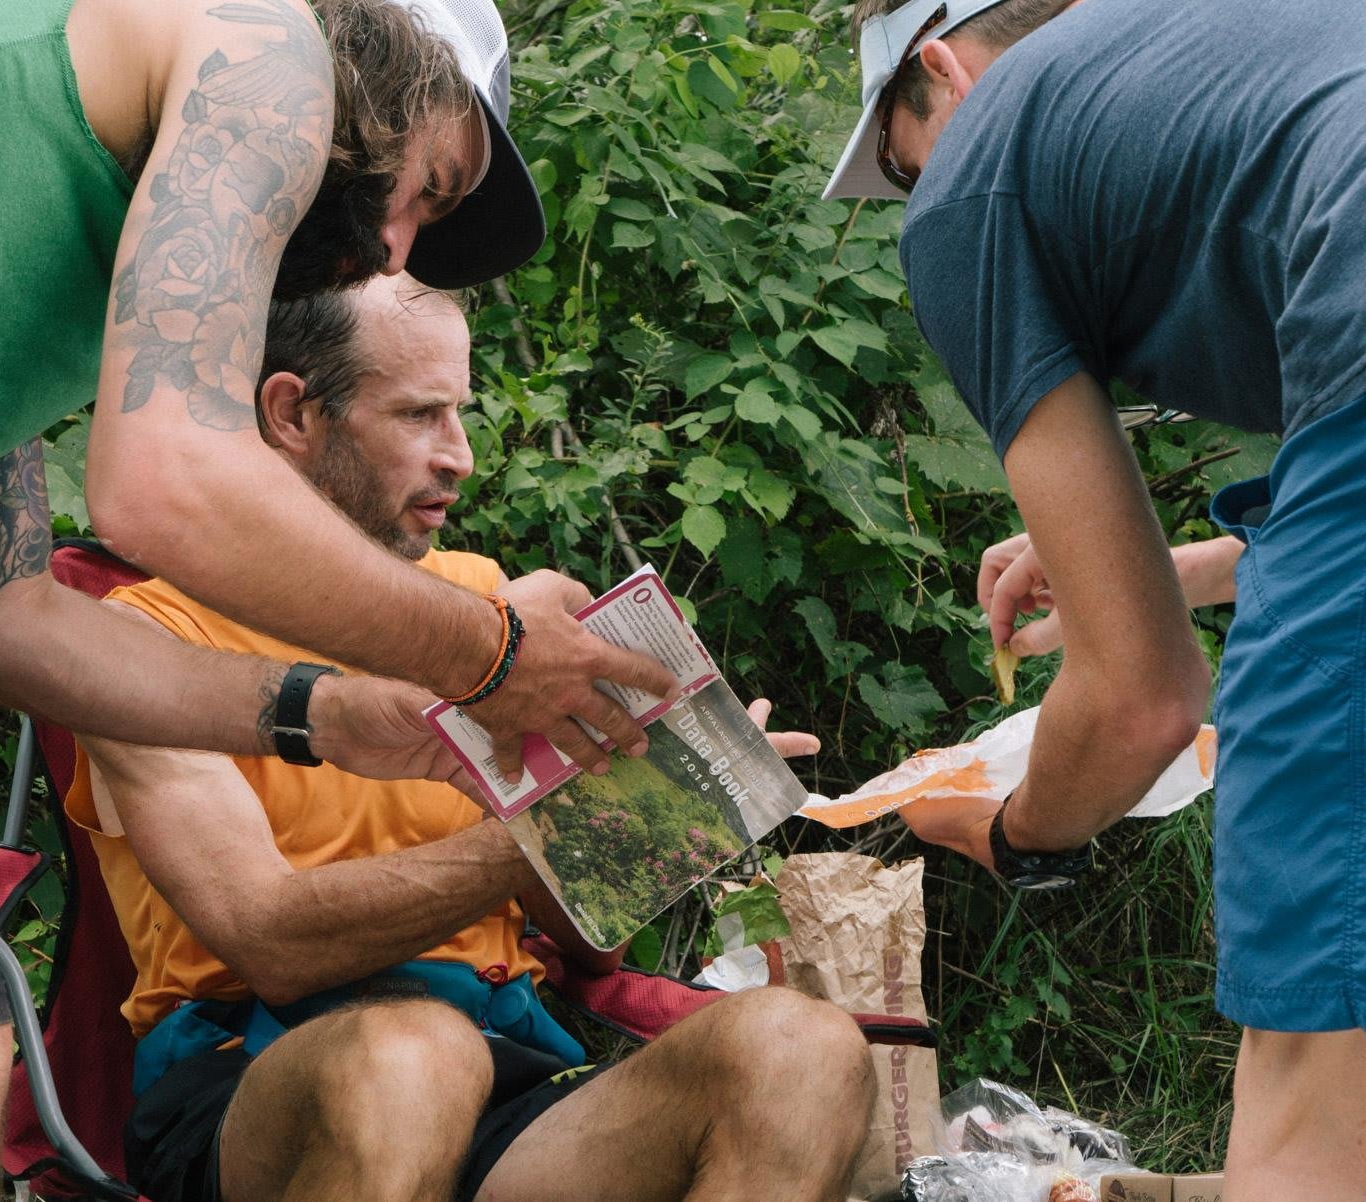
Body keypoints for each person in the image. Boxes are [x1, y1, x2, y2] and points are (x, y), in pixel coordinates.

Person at [0, 0, 675, 1197]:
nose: (394, 252)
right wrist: (492, 651)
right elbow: (165, 483)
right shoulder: (267, 40)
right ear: (381, 61)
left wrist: (321, 711)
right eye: (427, 192)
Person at [71, 273, 875, 1202]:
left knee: (802, 1048)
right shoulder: (146, 643)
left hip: (501, 1062)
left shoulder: (488, 604)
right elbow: (269, 943)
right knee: (415, 1058)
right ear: (293, 414)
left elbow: (590, 953)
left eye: (460, 413)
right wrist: (558, 822)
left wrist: (663, 797)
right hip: (248, 1080)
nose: (460, 456)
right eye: (419, 415)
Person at [824, 1, 1366, 1198]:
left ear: (942, 69)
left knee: (1313, 1095)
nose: (920, 200)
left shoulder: (974, 176)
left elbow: (1144, 698)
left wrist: (1017, 836)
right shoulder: (1234, 49)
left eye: (905, 168)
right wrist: (1187, 570)